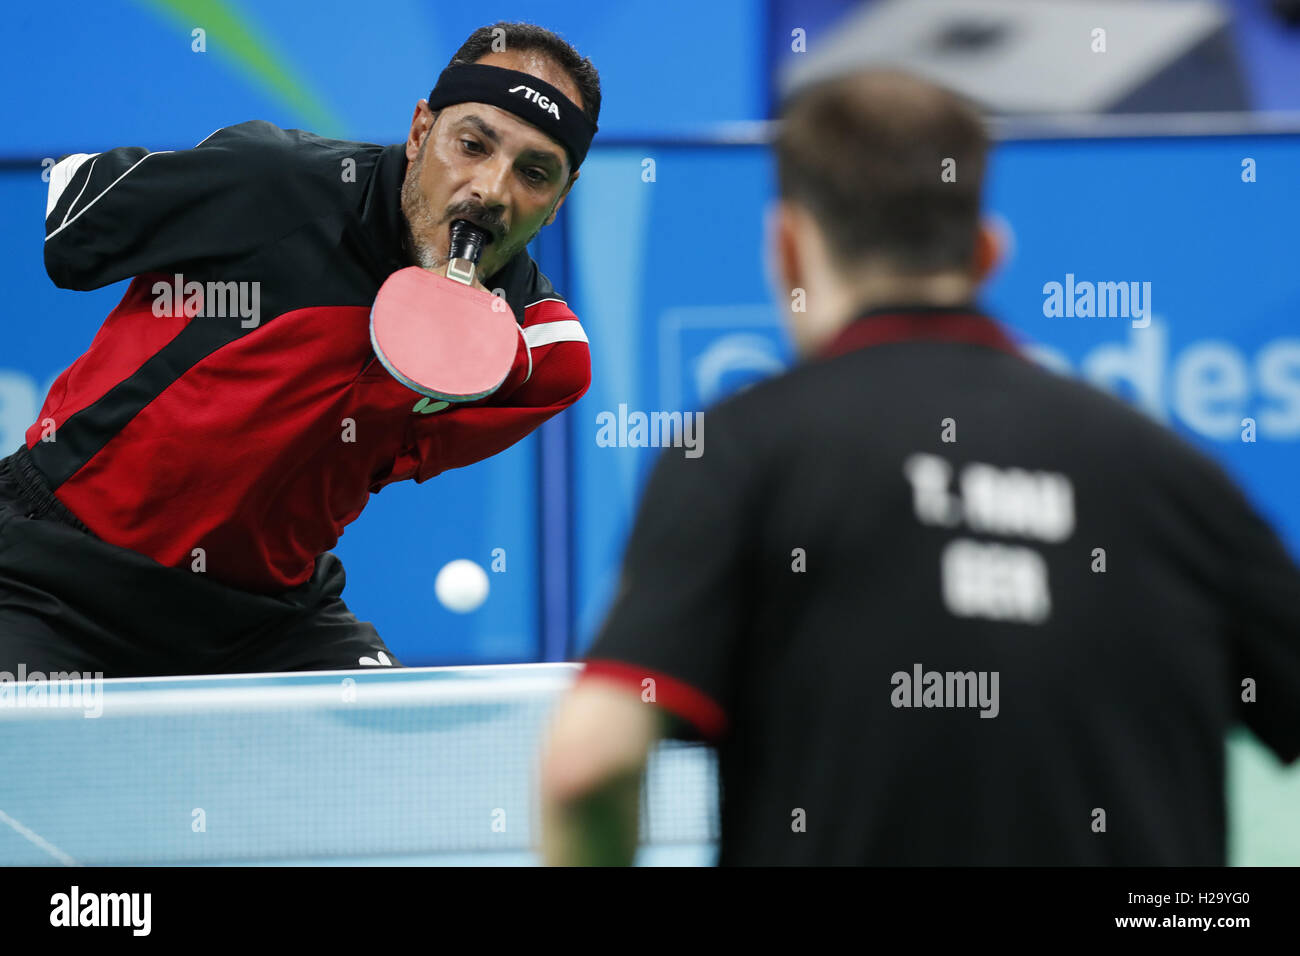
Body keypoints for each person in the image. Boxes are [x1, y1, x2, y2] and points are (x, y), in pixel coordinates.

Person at [539, 70, 1300, 865]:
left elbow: (586, 767)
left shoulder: (738, 448)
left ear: (788, 248)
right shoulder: (1172, 473)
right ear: (985, 252)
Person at [0, 22, 598, 677]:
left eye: (533, 172)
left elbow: (372, 461)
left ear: (558, 201)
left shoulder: (541, 353)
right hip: (51, 569)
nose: (490, 189)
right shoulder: (272, 181)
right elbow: (74, 225)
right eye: (473, 144)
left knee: (402, 777)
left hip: (264, 619)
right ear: (422, 130)